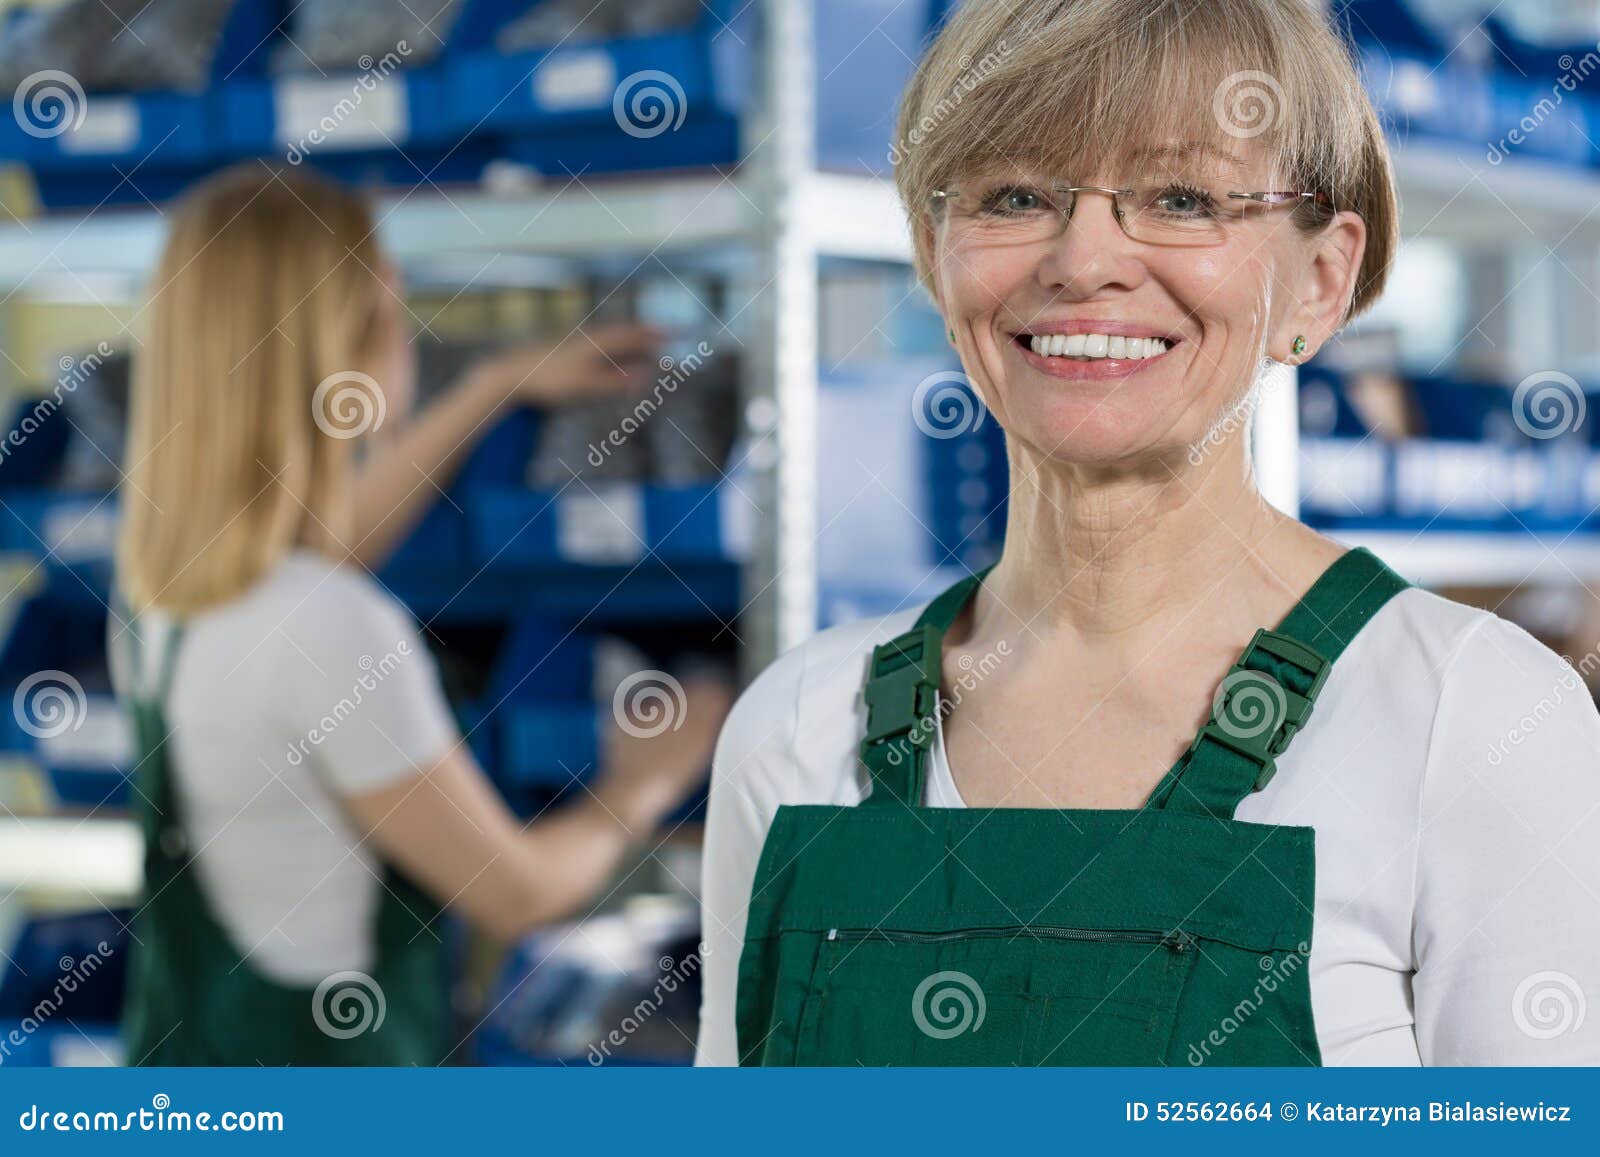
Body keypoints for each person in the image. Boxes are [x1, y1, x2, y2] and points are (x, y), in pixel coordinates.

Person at [697, 0, 1600, 1066]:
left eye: (1180, 197)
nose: (1084, 259)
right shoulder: (801, 727)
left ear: (1318, 278)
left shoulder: (1469, 718)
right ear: (936, 259)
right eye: (1014, 196)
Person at [111, 163, 731, 1066]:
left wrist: (491, 388)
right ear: (346, 348)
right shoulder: (334, 627)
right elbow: (516, 893)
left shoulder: (163, 598)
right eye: (393, 304)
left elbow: (308, 572)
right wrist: (645, 781)